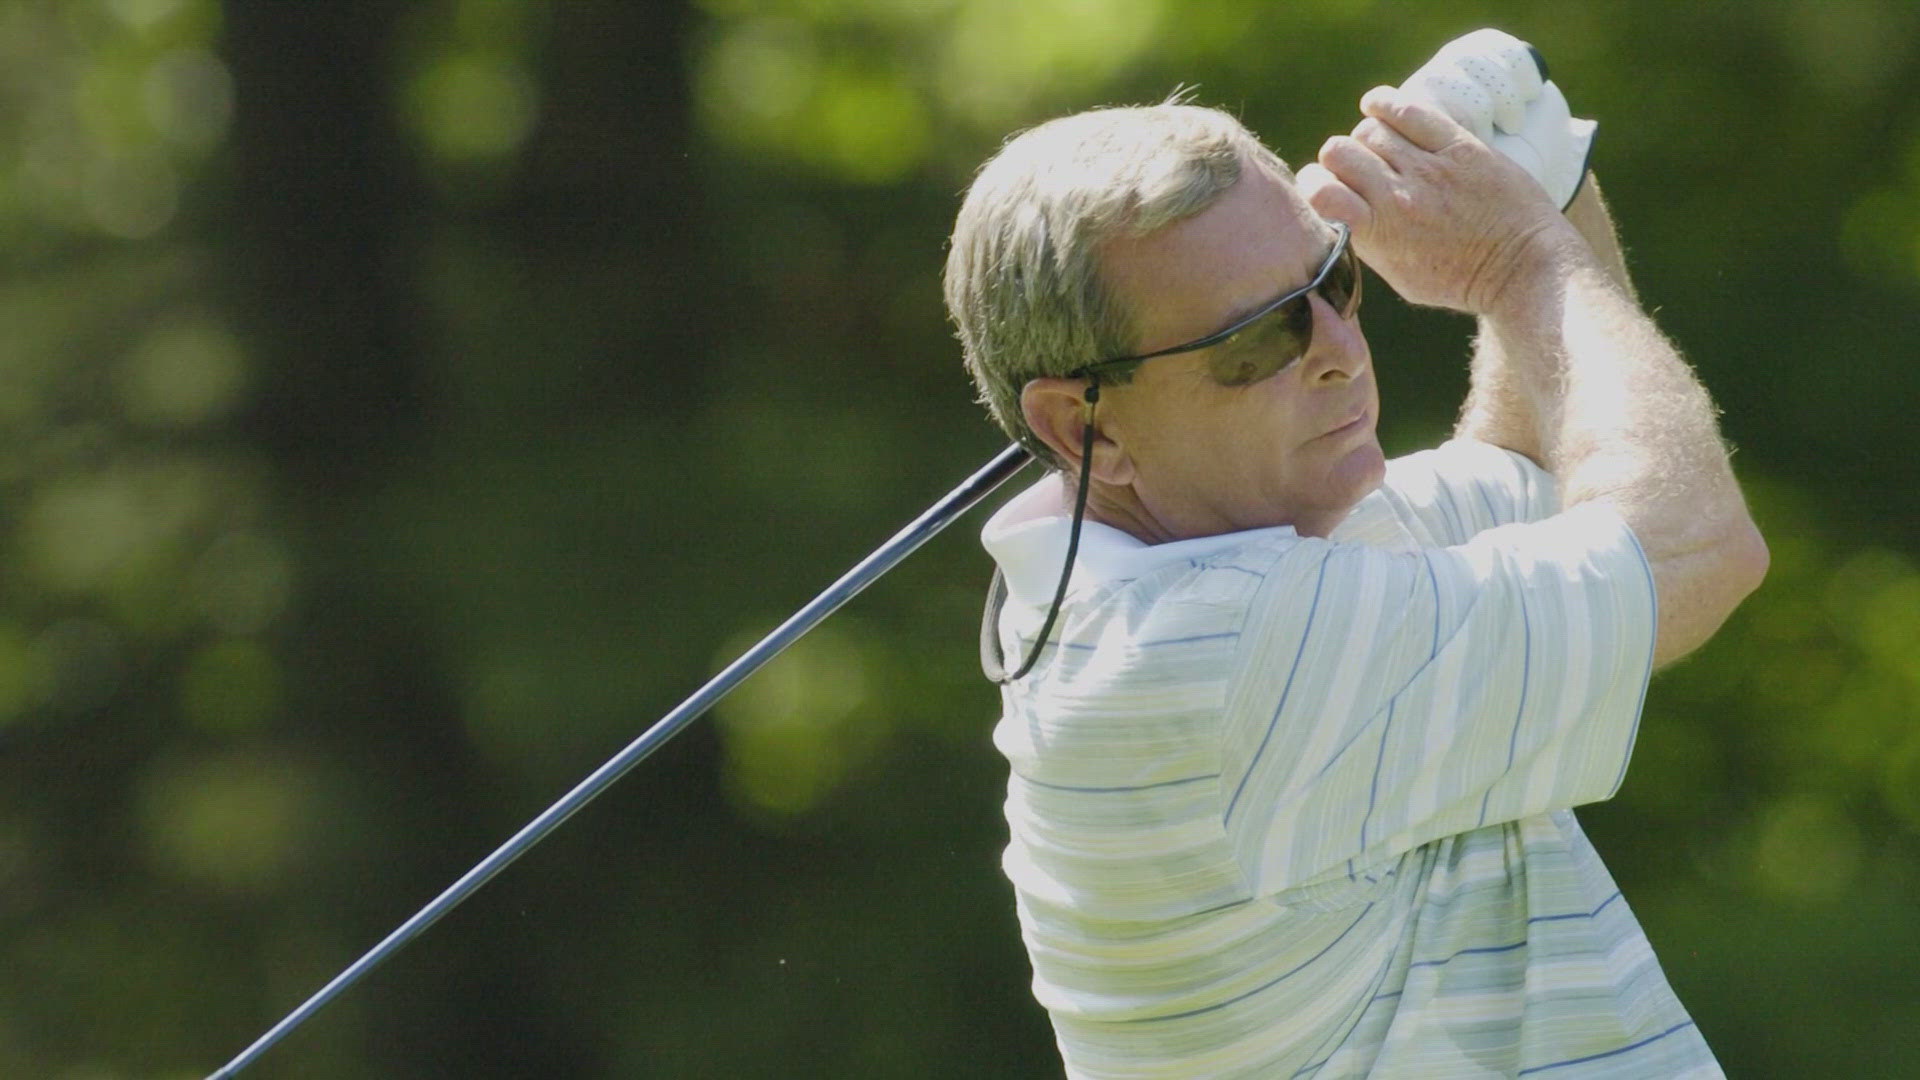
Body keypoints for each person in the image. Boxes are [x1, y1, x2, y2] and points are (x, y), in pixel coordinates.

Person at [942, 33, 1767, 1080]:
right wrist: (1520, 258)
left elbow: (1547, 465)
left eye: (1332, 280)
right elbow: (1689, 548)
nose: (1337, 349)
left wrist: (1534, 183)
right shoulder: (1217, 654)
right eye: (1258, 340)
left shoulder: (1226, 562)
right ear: (1082, 425)